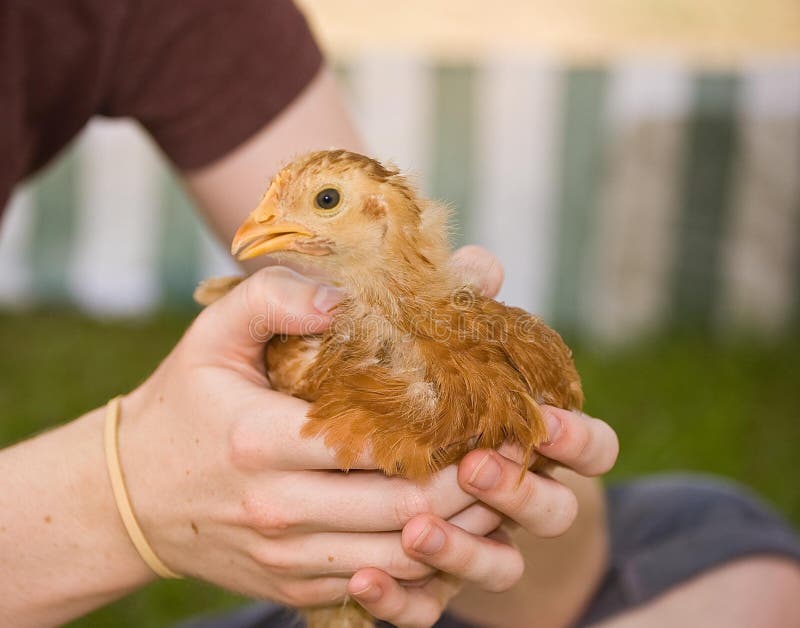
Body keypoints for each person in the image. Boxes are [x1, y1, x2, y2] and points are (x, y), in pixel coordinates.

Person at [1, 2, 798, 627]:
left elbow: (540, 577)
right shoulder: (307, 359)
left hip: (418, 589)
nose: (265, 228)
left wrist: (504, 510)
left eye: (321, 205)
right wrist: (126, 498)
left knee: (730, 546)